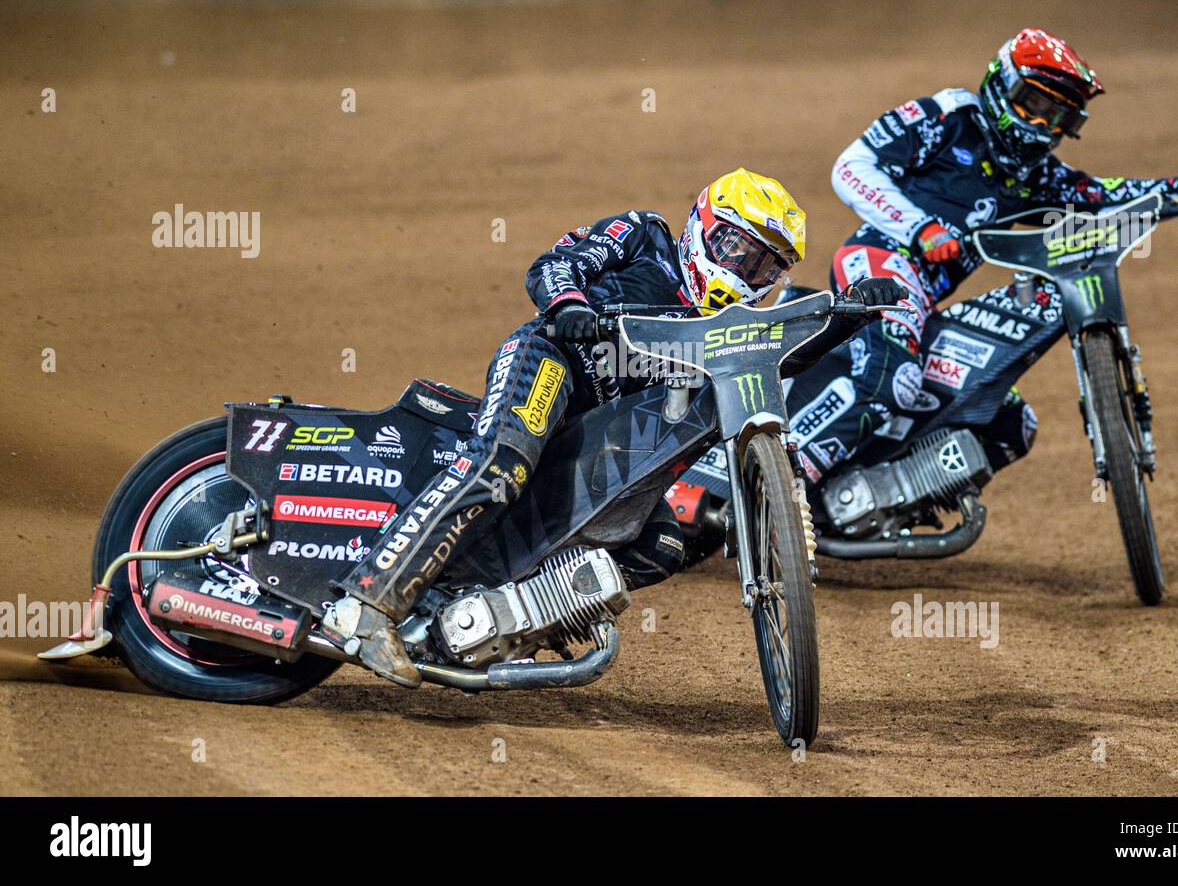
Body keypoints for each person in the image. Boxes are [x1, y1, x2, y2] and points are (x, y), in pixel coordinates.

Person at [326, 167, 904, 685]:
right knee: (502, 461)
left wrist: (852, 314)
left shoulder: (735, 324)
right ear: (701, 227)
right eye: (734, 248)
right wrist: (570, 306)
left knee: (661, 543)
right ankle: (369, 606)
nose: (741, 271)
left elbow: (788, 355)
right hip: (553, 363)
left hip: (600, 441)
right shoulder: (645, 235)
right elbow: (556, 263)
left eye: (762, 265)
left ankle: (502, 621)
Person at [786, 27, 1178, 483]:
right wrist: (921, 228)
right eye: (1034, 105)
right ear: (1002, 84)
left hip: (924, 300)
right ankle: (781, 485)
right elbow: (852, 166)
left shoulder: (1035, 175)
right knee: (893, 382)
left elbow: (1099, 195)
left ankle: (867, 493)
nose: (1041, 123)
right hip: (880, 262)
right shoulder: (949, 115)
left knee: (1010, 424)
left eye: (1056, 115)